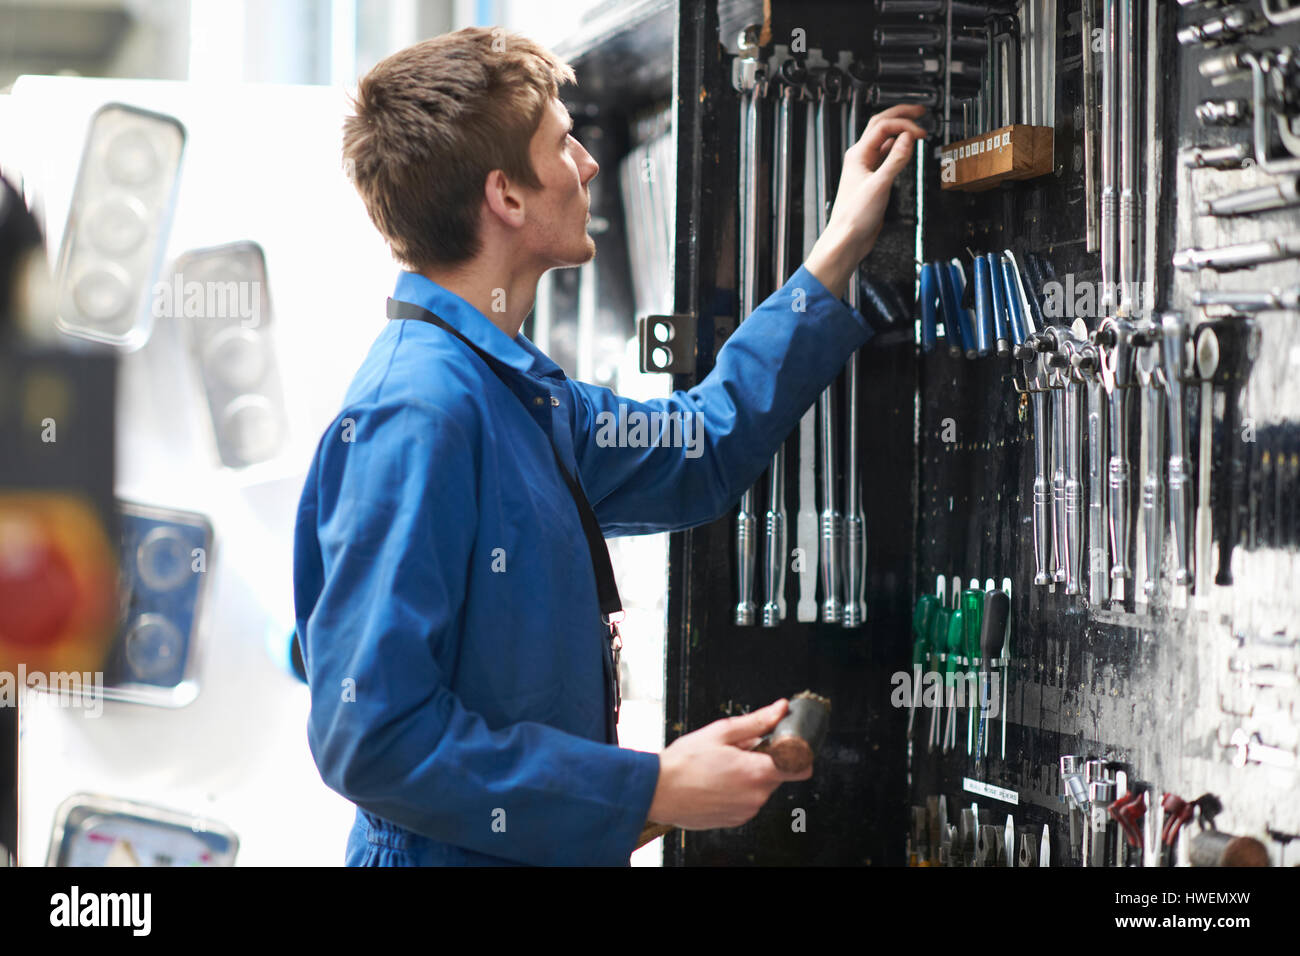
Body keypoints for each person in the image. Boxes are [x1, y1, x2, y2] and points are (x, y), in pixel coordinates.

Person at [293, 25, 924, 866]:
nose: (589, 164)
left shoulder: (513, 393)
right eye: (562, 143)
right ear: (506, 198)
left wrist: (839, 246)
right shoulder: (418, 413)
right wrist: (652, 789)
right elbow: (371, 737)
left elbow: (700, 445)